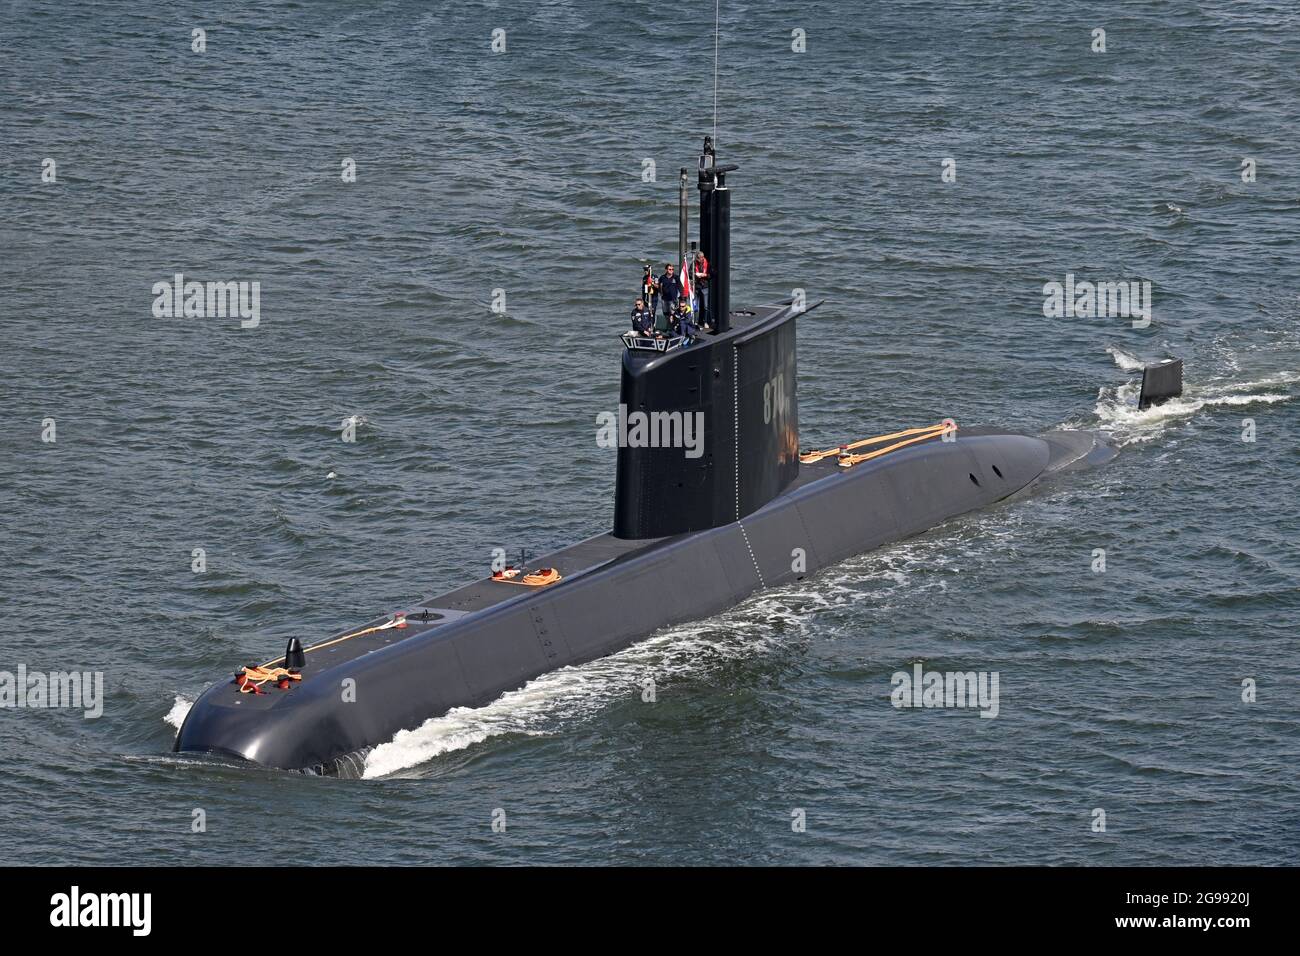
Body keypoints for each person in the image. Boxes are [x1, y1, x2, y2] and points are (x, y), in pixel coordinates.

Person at [691, 250, 710, 329]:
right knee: (696, 307)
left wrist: (705, 275)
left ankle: (705, 321)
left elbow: (711, 274)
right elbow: (689, 273)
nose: (701, 259)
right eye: (699, 258)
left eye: (702, 257)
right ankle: (695, 322)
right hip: (696, 287)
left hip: (704, 287)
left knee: (705, 306)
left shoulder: (707, 264)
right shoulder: (693, 264)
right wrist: (695, 275)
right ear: (697, 258)